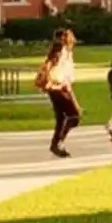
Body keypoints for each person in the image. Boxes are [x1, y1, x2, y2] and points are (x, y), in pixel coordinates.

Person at [34, 28, 81, 158]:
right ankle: (58, 142)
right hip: (58, 88)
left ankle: (56, 144)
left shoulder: (65, 51)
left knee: (62, 118)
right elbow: (48, 66)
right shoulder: (59, 51)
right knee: (75, 116)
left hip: (61, 86)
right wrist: (50, 81)